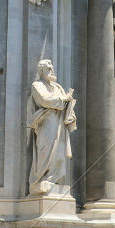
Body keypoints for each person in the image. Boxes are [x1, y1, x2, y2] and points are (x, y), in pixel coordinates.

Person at [27, 59, 76, 196]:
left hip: (59, 124)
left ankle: (54, 179)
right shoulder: (37, 85)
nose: (52, 70)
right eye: (49, 68)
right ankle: (41, 179)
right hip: (46, 124)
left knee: (59, 155)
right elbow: (44, 100)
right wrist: (63, 101)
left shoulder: (58, 87)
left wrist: (68, 105)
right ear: (41, 71)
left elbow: (62, 102)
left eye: (53, 67)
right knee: (45, 151)